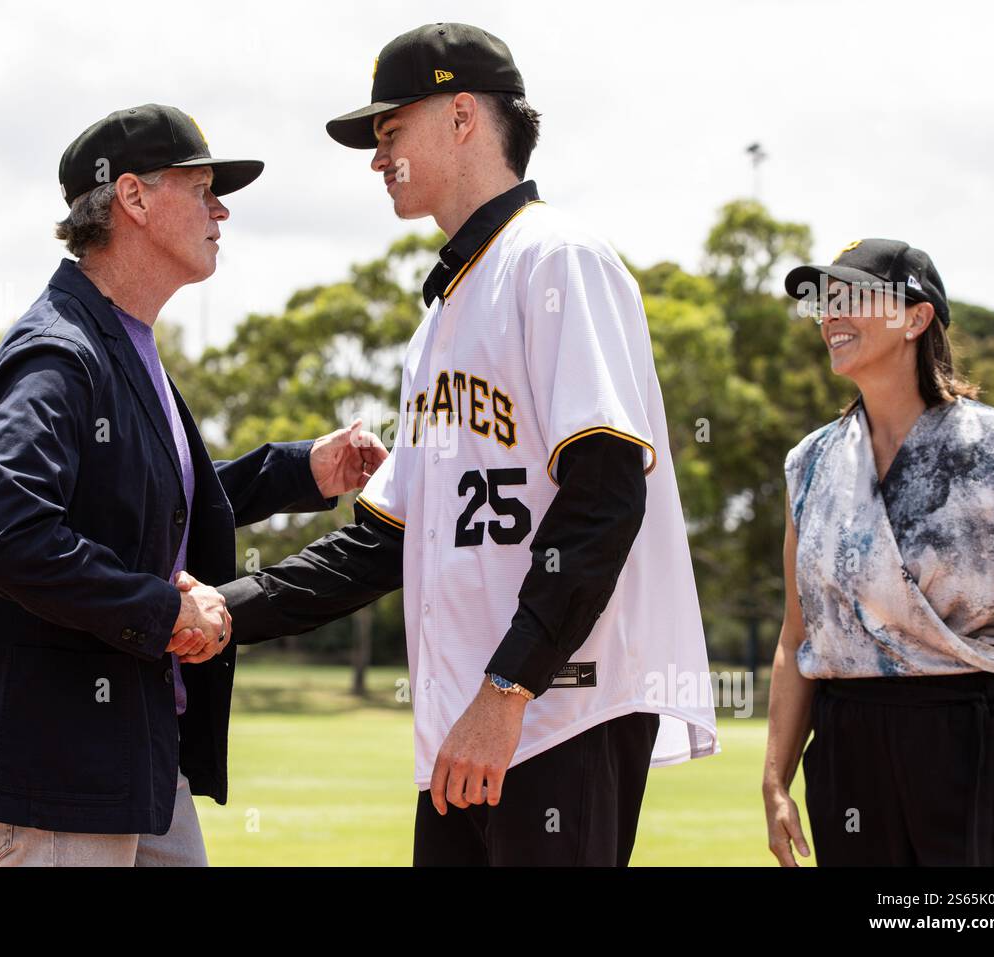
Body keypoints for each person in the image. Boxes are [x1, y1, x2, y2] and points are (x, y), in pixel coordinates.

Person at [206, 23, 718, 867]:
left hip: (556, 708)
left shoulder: (558, 260)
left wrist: (509, 684)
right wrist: (226, 608)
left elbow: (604, 497)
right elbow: (380, 546)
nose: (378, 157)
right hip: (470, 726)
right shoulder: (441, 317)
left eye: (390, 129)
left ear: (463, 116)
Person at [0, 104, 386, 866]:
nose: (220, 209)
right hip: (62, 782)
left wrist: (301, 470)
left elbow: (154, 501)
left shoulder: (124, 339)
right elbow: (5, 531)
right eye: (202, 188)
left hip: (140, 764)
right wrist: (164, 611)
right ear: (134, 198)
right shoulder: (59, 353)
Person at [763, 238, 994, 866]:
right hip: (849, 749)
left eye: (848, 298)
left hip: (983, 739)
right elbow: (796, 636)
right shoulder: (808, 464)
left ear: (916, 318)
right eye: (823, 303)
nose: (828, 316)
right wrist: (775, 781)